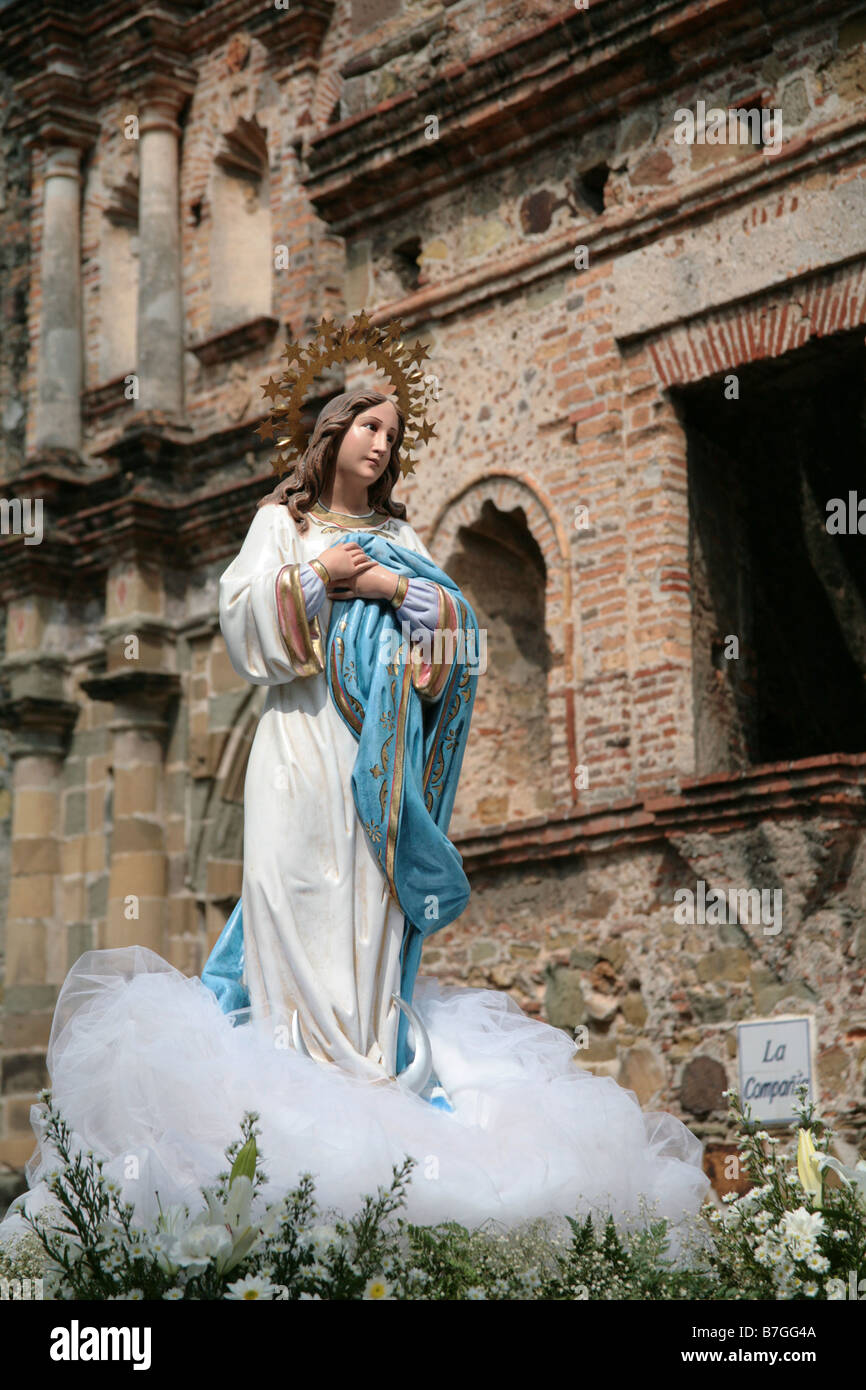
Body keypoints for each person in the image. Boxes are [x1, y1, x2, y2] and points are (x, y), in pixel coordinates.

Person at [0, 380, 711, 1258]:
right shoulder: (282, 526)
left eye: (392, 433)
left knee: (361, 914)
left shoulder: (402, 537)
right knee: (289, 895)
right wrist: (323, 576)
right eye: (367, 427)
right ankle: (294, 1068)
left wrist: (424, 612)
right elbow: (244, 625)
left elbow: (455, 634)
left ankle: (366, 1066)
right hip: (298, 748)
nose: (379, 444)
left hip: (373, 763)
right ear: (332, 434)